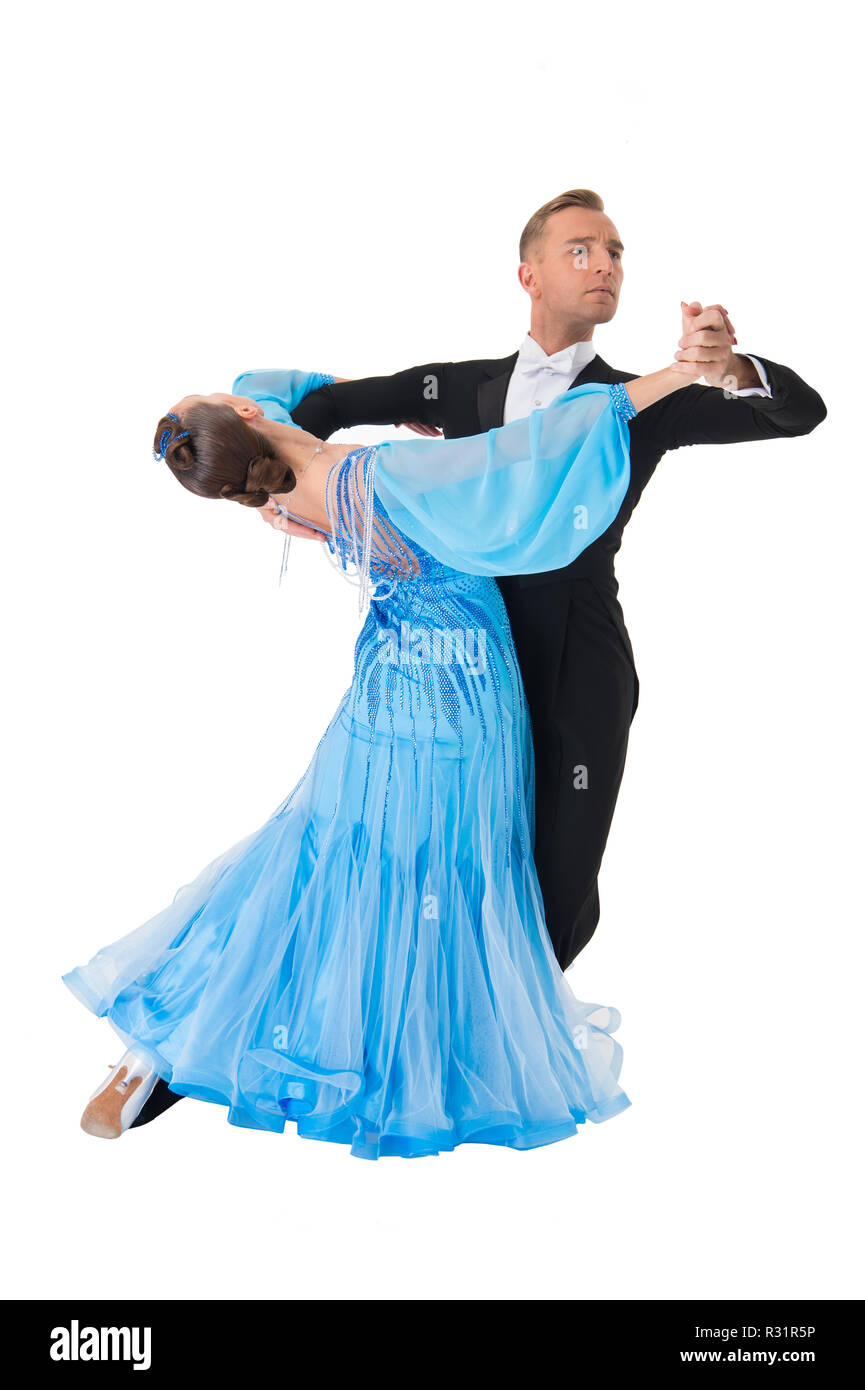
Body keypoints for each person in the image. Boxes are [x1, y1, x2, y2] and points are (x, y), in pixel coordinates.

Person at [65, 342, 700, 1160]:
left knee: (317, 853)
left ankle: (153, 1053)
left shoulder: (287, 491)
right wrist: (675, 375)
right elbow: (526, 449)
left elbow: (262, 392)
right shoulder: (383, 475)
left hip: (382, 687)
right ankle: (404, 1061)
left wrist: (323, 409)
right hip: (464, 694)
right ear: (248, 421)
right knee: (444, 867)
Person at [282, 187, 828, 973]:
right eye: (580, 249)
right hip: (450, 661)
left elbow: (796, 414)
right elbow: (319, 407)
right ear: (527, 276)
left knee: (556, 875)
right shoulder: (452, 386)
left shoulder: (647, 401)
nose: (604, 264)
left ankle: (511, 1043)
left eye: (614, 253)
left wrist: (732, 366)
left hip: (574, 660)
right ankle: (399, 1020)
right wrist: (281, 494)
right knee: (423, 854)